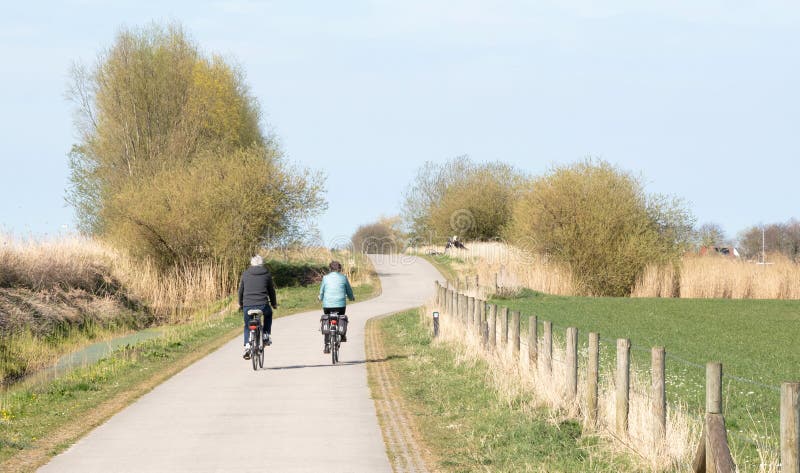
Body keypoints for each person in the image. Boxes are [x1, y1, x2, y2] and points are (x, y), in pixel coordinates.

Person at [238, 255, 278, 359]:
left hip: (247, 305)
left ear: (251, 263)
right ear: (261, 264)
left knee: (247, 325)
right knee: (268, 314)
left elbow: (240, 291)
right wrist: (273, 303)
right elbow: (271, 291)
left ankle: (247, 346)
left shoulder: (245, 274)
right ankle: (266, 335)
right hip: (262, 305)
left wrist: (241, 304)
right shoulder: (266, 274)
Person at [318, 260, 355, 353]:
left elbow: (322, 291)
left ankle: (326, 346)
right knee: (341, 317)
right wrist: (351, 298)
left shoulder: (325, 278)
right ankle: (342, 335)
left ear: (330, 268)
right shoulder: (343, 278)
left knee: (327, 319)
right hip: (340, 306)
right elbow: (349, 291)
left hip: (327, 306)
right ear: (340, 268)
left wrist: (320, 298)